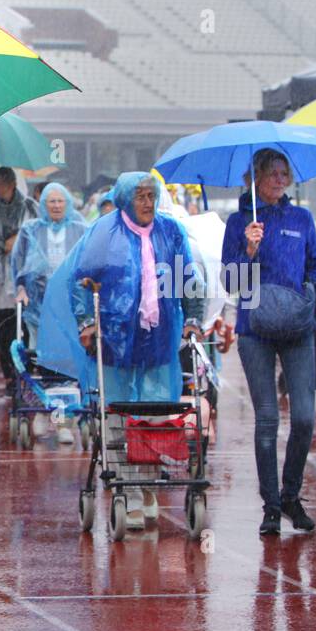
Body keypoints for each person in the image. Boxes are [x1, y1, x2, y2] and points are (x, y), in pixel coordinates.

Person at [37, 173, 206, 530]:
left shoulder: (170, 231)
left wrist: (193, 318)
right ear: (126, 198)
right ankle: (126, 487)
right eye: (141, 196)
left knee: (155, 414)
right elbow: (81, 280)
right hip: (113, 339)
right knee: (116, 413)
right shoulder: (104, 232)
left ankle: (146, 484)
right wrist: (86, 323)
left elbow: (187, 277)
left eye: (152, 195)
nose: (147, 202)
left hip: (158, 339)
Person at [221, 148, 316, 535]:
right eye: (272, 174)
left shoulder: (301, 218)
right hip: (255, 329)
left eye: (285, 174)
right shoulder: (239, 222)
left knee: (302, 417)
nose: (280, 180)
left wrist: (310, 290)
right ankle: (270, 505)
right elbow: (230, 282)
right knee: (267, 418)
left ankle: (291, 495)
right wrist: (248, 251)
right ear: (256, 177)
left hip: (298, 327)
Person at [10, 182, 91, 442]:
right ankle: (43, 411)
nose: (56, 206)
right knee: (40, 357)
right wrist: (20, 288)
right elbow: (18, 264)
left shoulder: (80, 229)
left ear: (67, 203)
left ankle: (66, 420)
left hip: (70, 307)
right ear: (43, 205)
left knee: (67, 359)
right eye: (51, 202)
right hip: (38, 306)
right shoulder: (31, 230)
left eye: (60, 201)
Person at [0, 166, 40, 383]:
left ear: (10, 184)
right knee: (4, 324)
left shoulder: (30, 207)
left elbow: (38, 236)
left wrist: (18, 241)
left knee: (25, 323)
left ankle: (27, 370)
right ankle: (9, 373)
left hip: (26, 275)